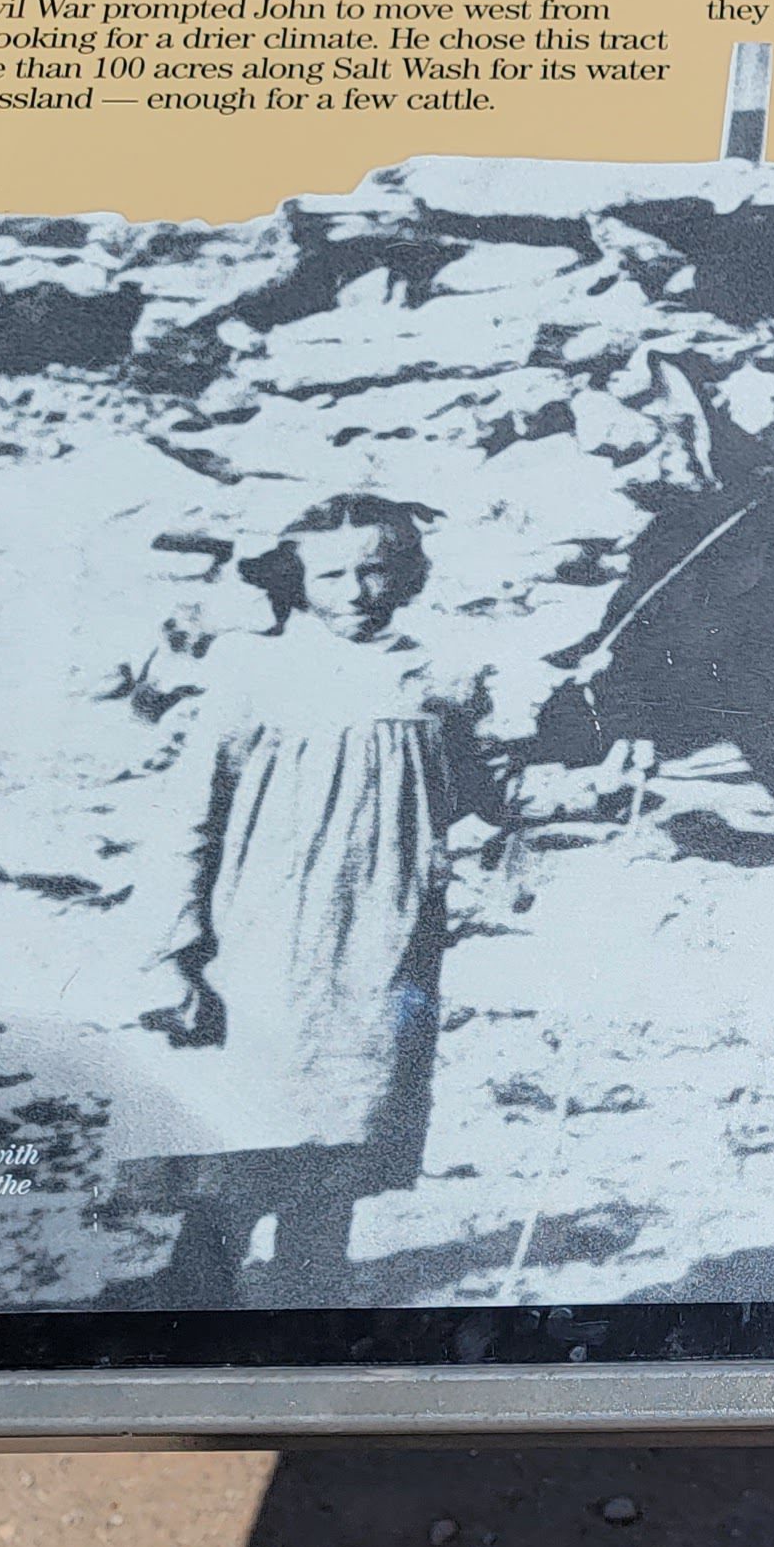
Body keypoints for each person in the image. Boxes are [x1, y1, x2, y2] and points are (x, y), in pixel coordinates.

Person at [123, 493, 495, 1302]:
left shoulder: (437, 680)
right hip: (266, 935)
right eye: (333, 574)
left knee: (353, 1113)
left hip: (388, 938)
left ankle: (310, 1284)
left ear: (409, 574)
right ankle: (197, 1290)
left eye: (377, 570)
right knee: (250, 1113)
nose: (358, 592)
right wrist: (173, 946)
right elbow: (191, 812)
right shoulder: (252, 673)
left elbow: (462, 793)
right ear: (297, 580)